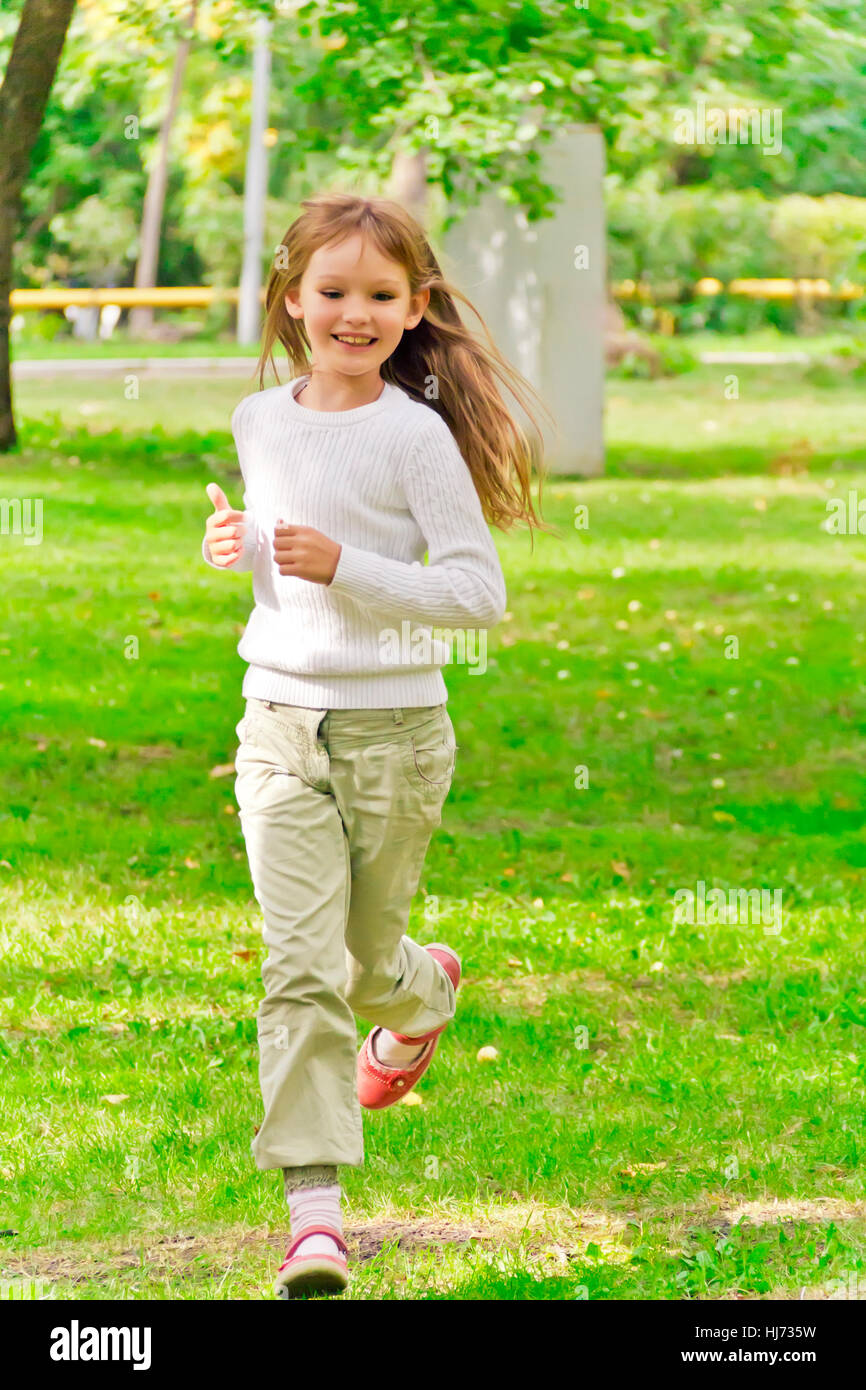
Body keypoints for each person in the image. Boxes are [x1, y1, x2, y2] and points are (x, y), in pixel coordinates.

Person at [202, 191, 555, 1298]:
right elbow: (282, 554)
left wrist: (340, 560)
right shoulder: (259, 420)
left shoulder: (415, 434)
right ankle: (315, 1217)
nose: (352, 313)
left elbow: (475, 593)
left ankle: (421, 995)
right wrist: (242, 545)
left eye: (378, 295)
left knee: (360, 967)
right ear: (293, 297)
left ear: (413, 309)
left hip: (394, 735)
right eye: (332, 292)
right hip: (276, 725)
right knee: (298, 970)